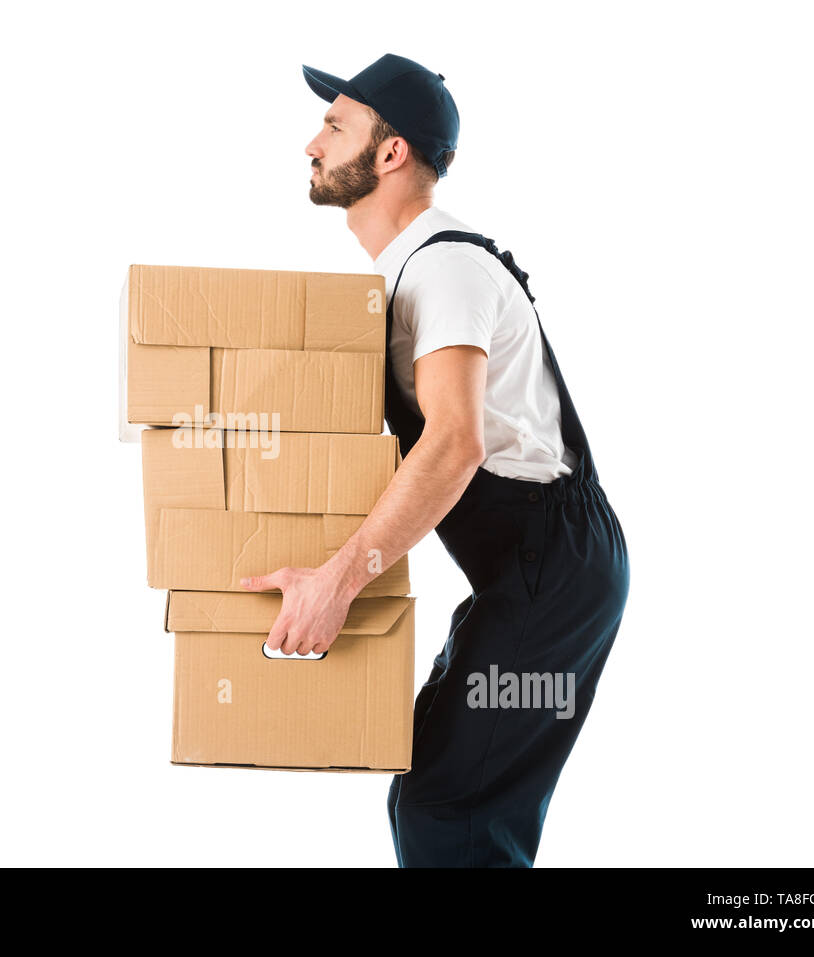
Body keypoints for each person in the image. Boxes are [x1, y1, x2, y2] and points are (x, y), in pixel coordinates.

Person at [240, 53, 631, 867]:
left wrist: (337, 583)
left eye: (335, 126)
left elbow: (456, 442)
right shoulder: (406, 274)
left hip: (553, 569)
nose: (311, 144)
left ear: (390, 154)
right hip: (537, 568)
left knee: (453, 810)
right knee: (441, 791)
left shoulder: (445, 269)